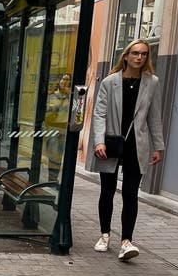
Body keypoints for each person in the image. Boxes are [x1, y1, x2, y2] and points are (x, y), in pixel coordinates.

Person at [87, 39, 165, 261]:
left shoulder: (152, 83)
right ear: (126, 56)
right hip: (111, 142)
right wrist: (98, 141)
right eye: (135, 53)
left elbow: (154, 116)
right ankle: (104, 235)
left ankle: (126, 242)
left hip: (136, 144)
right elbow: (99, 114)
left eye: (144, 54)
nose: (139, 57)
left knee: (131, 194)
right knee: (107, 191)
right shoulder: (110, 82)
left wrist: (158, 145)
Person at [44, 74, 71, 180]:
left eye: (67, 80)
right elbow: (47, 113)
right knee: (53, 153)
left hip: (64, 128)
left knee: (59, 155)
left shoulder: (70, 96)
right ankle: (52, 177)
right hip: (53, 127)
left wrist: (68, 93)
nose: (64, 82)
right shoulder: (52, 95)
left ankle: (54, 177)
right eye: (63, 79)